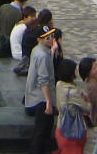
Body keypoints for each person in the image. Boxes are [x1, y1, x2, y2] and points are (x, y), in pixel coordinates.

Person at [25, 26, 60, 154]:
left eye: (52, 36)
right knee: (42, 133)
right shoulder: (43, 55)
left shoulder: (38, 50)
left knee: (41, 133)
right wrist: (49, 102)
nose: (51, 39)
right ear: (39, 39)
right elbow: (43, 80)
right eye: (47, 37)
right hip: (41, 99)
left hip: (34, 96)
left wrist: (53, 51)